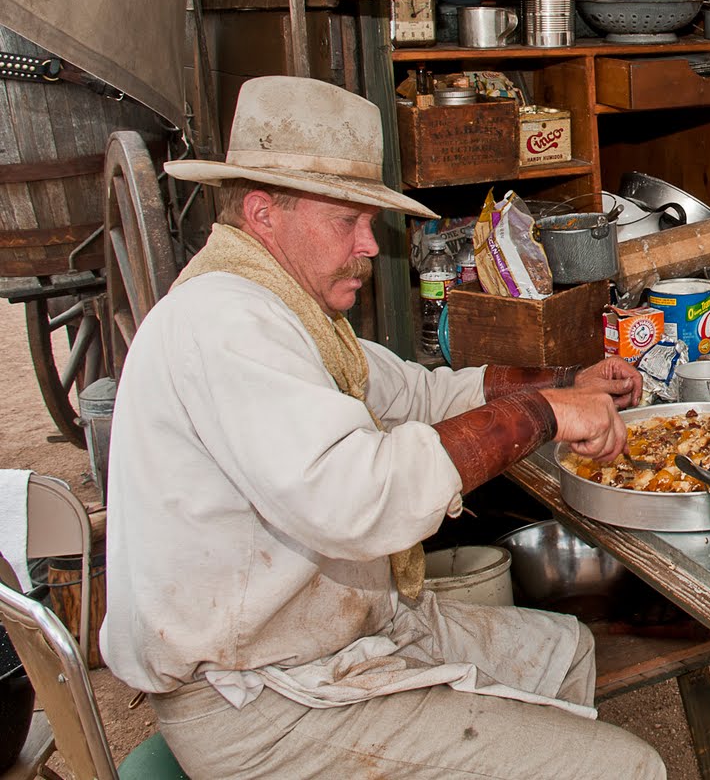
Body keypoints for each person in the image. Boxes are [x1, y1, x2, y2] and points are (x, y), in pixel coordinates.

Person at [101, 76, 666, 780]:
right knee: (628, 769)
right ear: (262, 213)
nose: (371, 243)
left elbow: (421, 393)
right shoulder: (224, 323)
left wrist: (562, 384)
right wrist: (543, 415)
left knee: (566, 652)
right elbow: (355, 496)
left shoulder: (292, 314)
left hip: (338, 638)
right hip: (261, 700)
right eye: (347, 221)